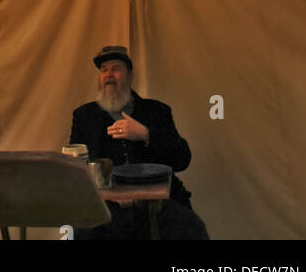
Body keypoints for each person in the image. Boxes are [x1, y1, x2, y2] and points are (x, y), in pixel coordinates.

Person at [70, 45, 208, 240]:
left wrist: (146, 134)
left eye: (116, 68)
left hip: (157, 203)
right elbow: (76, 165)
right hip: (106, 206)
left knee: (190, 227)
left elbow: (182, 159)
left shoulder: (157, 111)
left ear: (130, 76)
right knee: (84, 229)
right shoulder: (84, 115)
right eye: (103, 70)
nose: (109, 75)